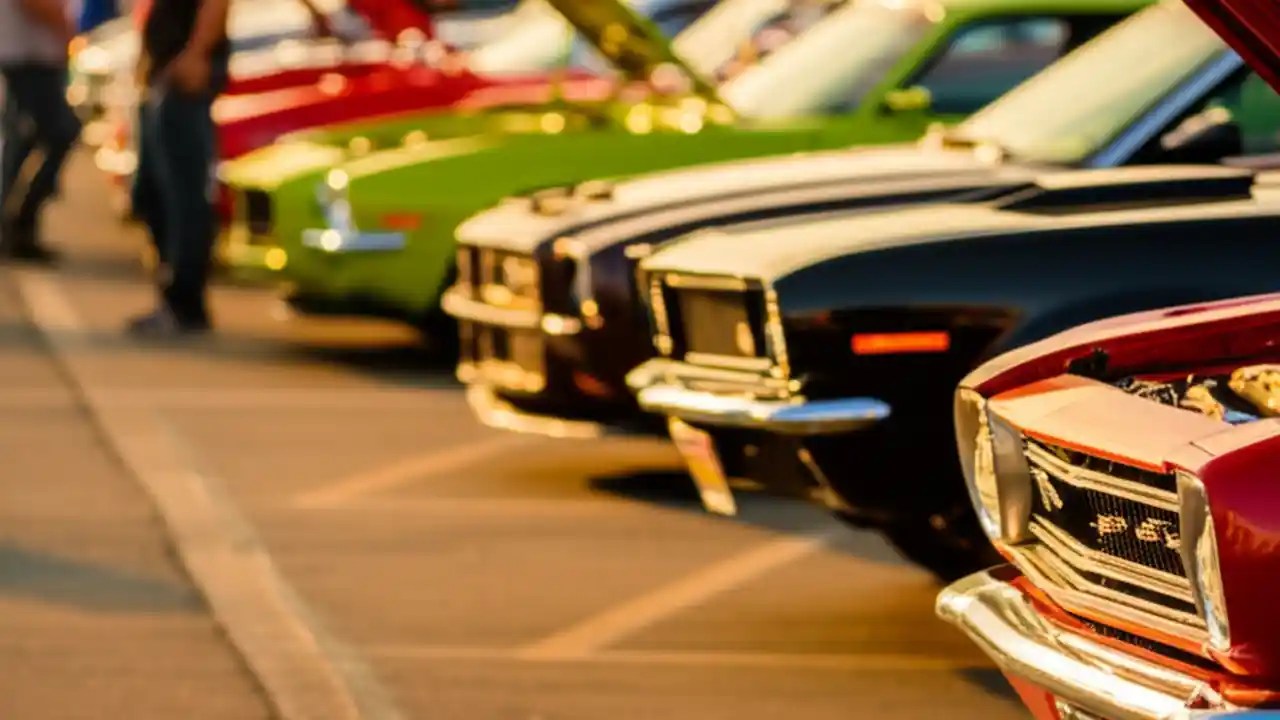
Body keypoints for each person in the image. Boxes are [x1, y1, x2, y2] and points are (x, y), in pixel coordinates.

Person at [126, 0, 229, 336]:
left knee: (183, 196)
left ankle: (184, 302)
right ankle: (175, 297)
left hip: (181, 77)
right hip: (162, 75)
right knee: (150, 194)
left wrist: (196, 53)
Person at [0, 0, 82, 263]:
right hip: (31, 61)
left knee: (21, 142)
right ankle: (19, 220)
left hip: (32, 60)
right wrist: (65, 29)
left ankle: (17, 223)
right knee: (60, 132)